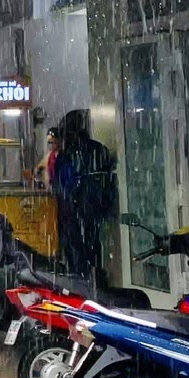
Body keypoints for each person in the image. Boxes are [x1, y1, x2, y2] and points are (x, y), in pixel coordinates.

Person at [50, 111, 117, 281]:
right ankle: (96, 286)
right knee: (94, 254)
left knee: (76, 262)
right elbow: (110, 181)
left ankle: (81, 290)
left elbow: (62, 187)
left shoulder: (67, 155)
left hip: (74, 215)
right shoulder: (99, 149)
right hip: (96, 215)